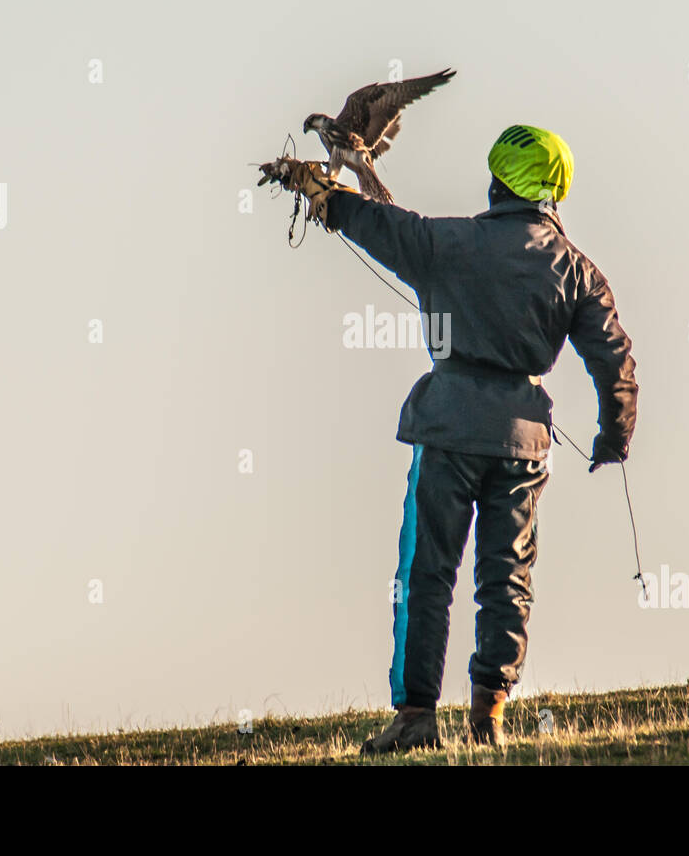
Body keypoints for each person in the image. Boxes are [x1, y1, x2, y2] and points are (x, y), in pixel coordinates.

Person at [271, 125, 638, 753]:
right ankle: (489, 712)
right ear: (557, 195)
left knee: (427, 574)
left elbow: (384, 224)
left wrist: (324, 194)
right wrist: (613, 436)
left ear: (495, 182)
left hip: (448, 428)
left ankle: (416, 717)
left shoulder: (448, 242)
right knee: (507, 577)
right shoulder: (577, 271)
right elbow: (614, 357)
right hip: (523, 444)